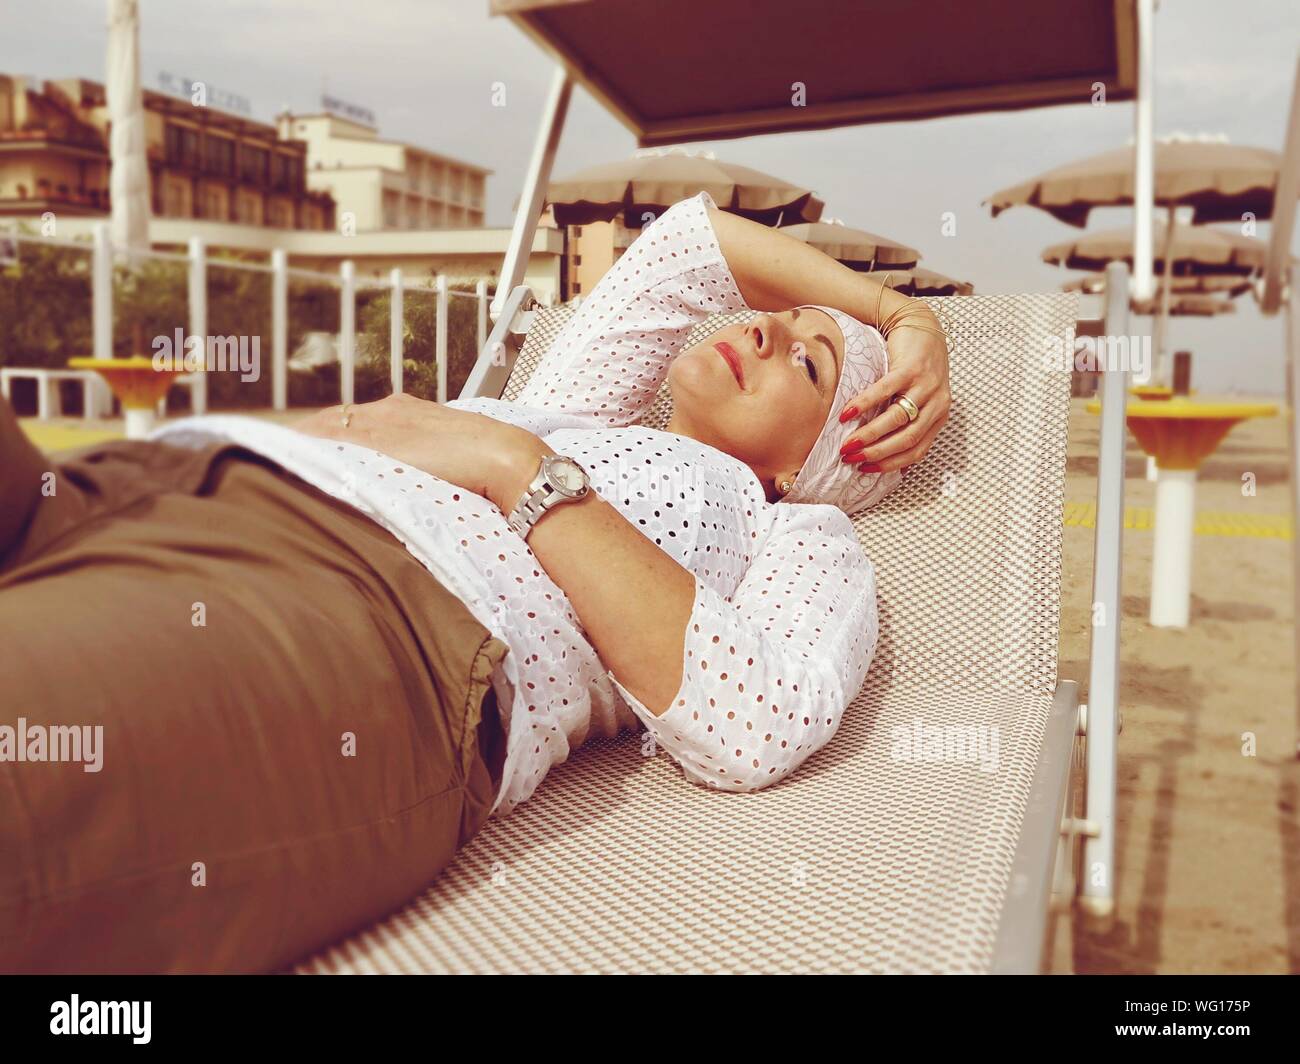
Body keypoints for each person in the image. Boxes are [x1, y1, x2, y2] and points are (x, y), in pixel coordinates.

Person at [0, 191, 949, 973]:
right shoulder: (585, 409)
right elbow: (685, 247)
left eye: (810, 363)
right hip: (173, 478)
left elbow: (761, 721)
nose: (766, 333)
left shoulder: (786, 528)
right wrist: (898, 313)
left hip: (355, 615)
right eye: (778, 318)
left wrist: (513, 463)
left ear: (821, 458)